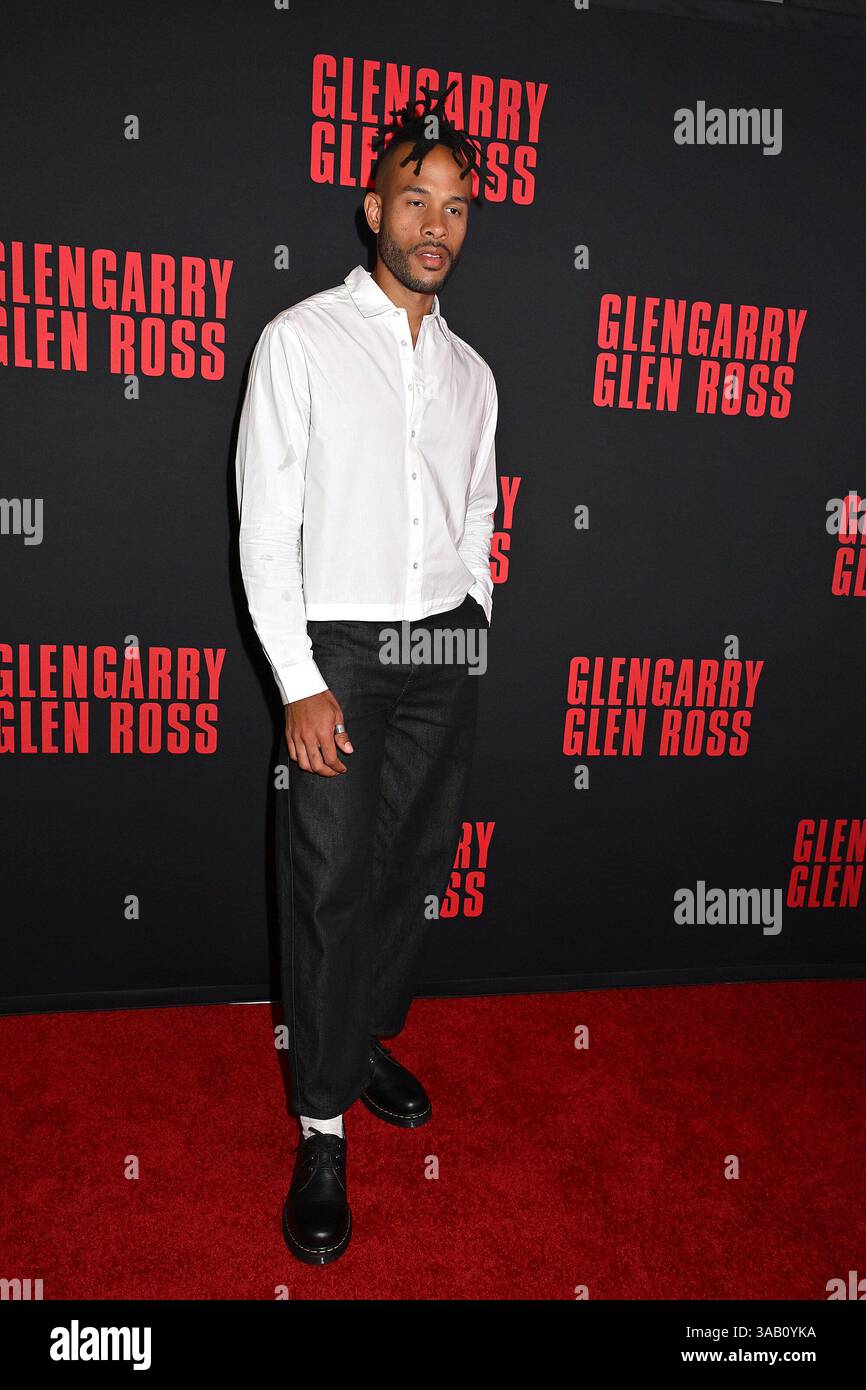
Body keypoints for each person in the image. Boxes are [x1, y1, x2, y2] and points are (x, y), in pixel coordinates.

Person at [235, 84, 498, 1265]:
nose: (433, 223)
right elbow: (262, 525)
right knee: (331, 884)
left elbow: (479, 507)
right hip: (336, 649)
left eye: (453, 206)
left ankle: (366, 1037)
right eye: (414, 199)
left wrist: (475, 613)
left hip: (443, 645)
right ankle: (322, 1122)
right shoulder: (296, 340)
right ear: (372, 207)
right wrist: (297, 678)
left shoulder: (474, 375)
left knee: (411, 868)